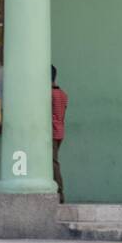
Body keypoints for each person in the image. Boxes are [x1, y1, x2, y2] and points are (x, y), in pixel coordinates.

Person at [51, 64, 68, 204]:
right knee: (53, 162)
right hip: (60, 131)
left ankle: (59, 192)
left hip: (51, 132)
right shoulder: (62, 94)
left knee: (52, 163)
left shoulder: (49, 94)